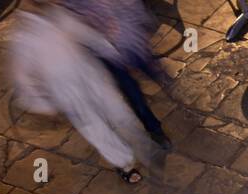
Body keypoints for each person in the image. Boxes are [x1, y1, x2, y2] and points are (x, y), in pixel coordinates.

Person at [9, 0, 147, 183]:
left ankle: (139, 141)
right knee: (95, 127)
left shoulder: (59, 16)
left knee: (117, 109)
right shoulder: (24, 39)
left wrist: (111, 52)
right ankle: (124, 163)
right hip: (66, 88)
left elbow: (86, 35)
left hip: (88, 73)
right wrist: (44, 104)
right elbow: (23, 78)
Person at [62, 0, 171, 149]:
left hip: (129, 38)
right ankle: (154, 128)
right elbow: (75, 28)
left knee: (148, 67)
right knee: (132, 91)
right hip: (107, 52)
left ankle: (162, 79)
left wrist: (141, 21)